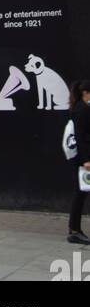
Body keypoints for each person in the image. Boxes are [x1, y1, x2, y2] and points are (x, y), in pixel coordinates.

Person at [67, 78, 90, 245]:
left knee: (81, 193)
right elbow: (80, 138)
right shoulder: (81, 110)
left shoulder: (84, 108)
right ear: (85, 93)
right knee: (79, 193)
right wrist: (86, 160)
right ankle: (74, 231)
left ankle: (75, 229)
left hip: (84, 158)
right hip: (83, 159)